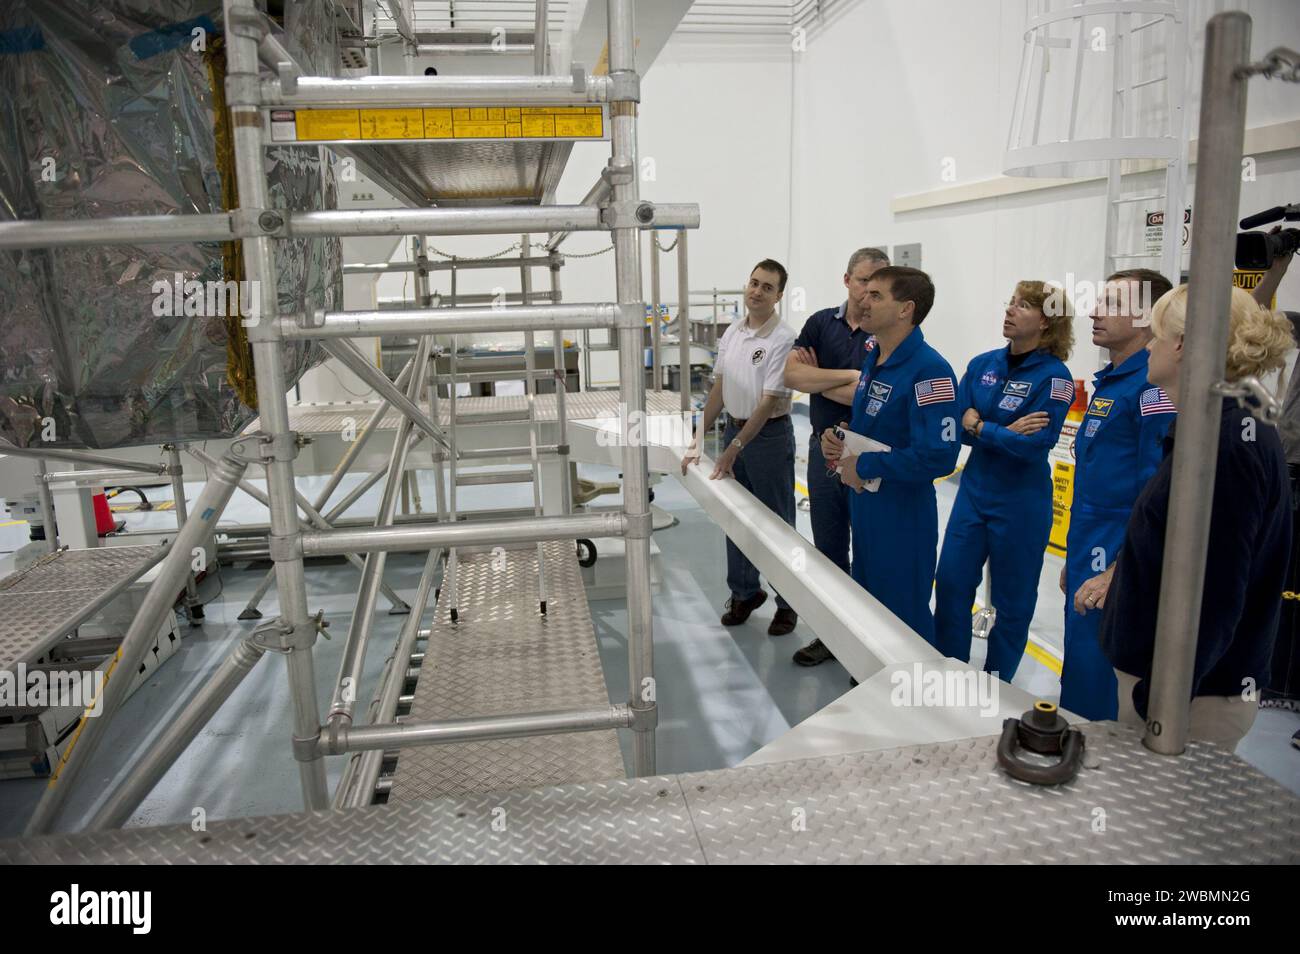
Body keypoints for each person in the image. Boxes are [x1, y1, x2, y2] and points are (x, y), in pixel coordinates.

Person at [1100, 285, 1294, 747]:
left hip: (1193, 697)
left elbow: (1219, 588)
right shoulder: (1215, 423)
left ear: (1185, 345)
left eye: (1158, 336)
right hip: (1180, 682)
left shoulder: (1226, 442)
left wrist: (1162, 696)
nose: (1149, 346)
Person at [933, 281, 1075, 678]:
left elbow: (1034, 445)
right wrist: (1000, 431)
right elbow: (954, 428)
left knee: (1012, 604)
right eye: (1010, 302)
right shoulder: (982, 365)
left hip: (1021, 502)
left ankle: (997, 683)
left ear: (1047, 322)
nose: (1009, 310)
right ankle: (949, 675)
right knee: (950, 584)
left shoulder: (1054, 378)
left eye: (1023, 305)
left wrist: (979, 425)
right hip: (974, 492)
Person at [1060, 269, 1176, 720]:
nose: (1094, 311)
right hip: (1091, 541)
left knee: (1099, 676)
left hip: (1119, 549)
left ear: (1148, 317)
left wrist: (1118, 567)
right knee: (1081, 667)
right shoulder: (1113, 382)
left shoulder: (1150, 389)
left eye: (1110, 303)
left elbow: (1159, 490)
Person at [821, 266, 960, 644]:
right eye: (864, 292)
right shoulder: (875, 358)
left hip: (902, 516)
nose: (863, 300)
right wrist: (840, 437)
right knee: (868, 609)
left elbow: (939, 457)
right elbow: (875, 426)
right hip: (866, 505)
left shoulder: (930, 371)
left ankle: (913, 700)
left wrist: (863, 464)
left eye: (876, 295)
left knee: (903, 622)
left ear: (905, 309)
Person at [783, 247, 890, 667]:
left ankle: (868, 644)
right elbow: (792, 375)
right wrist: (850, 378)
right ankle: (831, 637)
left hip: (867, 453)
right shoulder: (819, 324)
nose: (870, 291)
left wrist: (819, 382)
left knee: (870, 549)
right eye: (864, 281)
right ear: (847, 280)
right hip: (822, 447)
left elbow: (877, 395)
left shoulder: (886, 331)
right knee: (828, 547)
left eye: (879, 284)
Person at [681, 259, 800, 636]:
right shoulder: (733, 333)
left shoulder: (782, 338)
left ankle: (788, 603)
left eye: (767, 286)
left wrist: (732, 447)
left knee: (776, 524)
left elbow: (768, 402)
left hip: (767, 437)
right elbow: (719, 388)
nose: (757, 291)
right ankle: (745, 592)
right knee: (735, 516)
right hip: (736, 430)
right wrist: (699, 438)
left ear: (778, 295)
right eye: (753, 283)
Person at [1252, 234, 1300, 727]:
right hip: (1286, 470)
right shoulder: (1293, 330)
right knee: (1276, 580)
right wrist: (1280, 265)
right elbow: (1253, 316)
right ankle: (1275, 683)